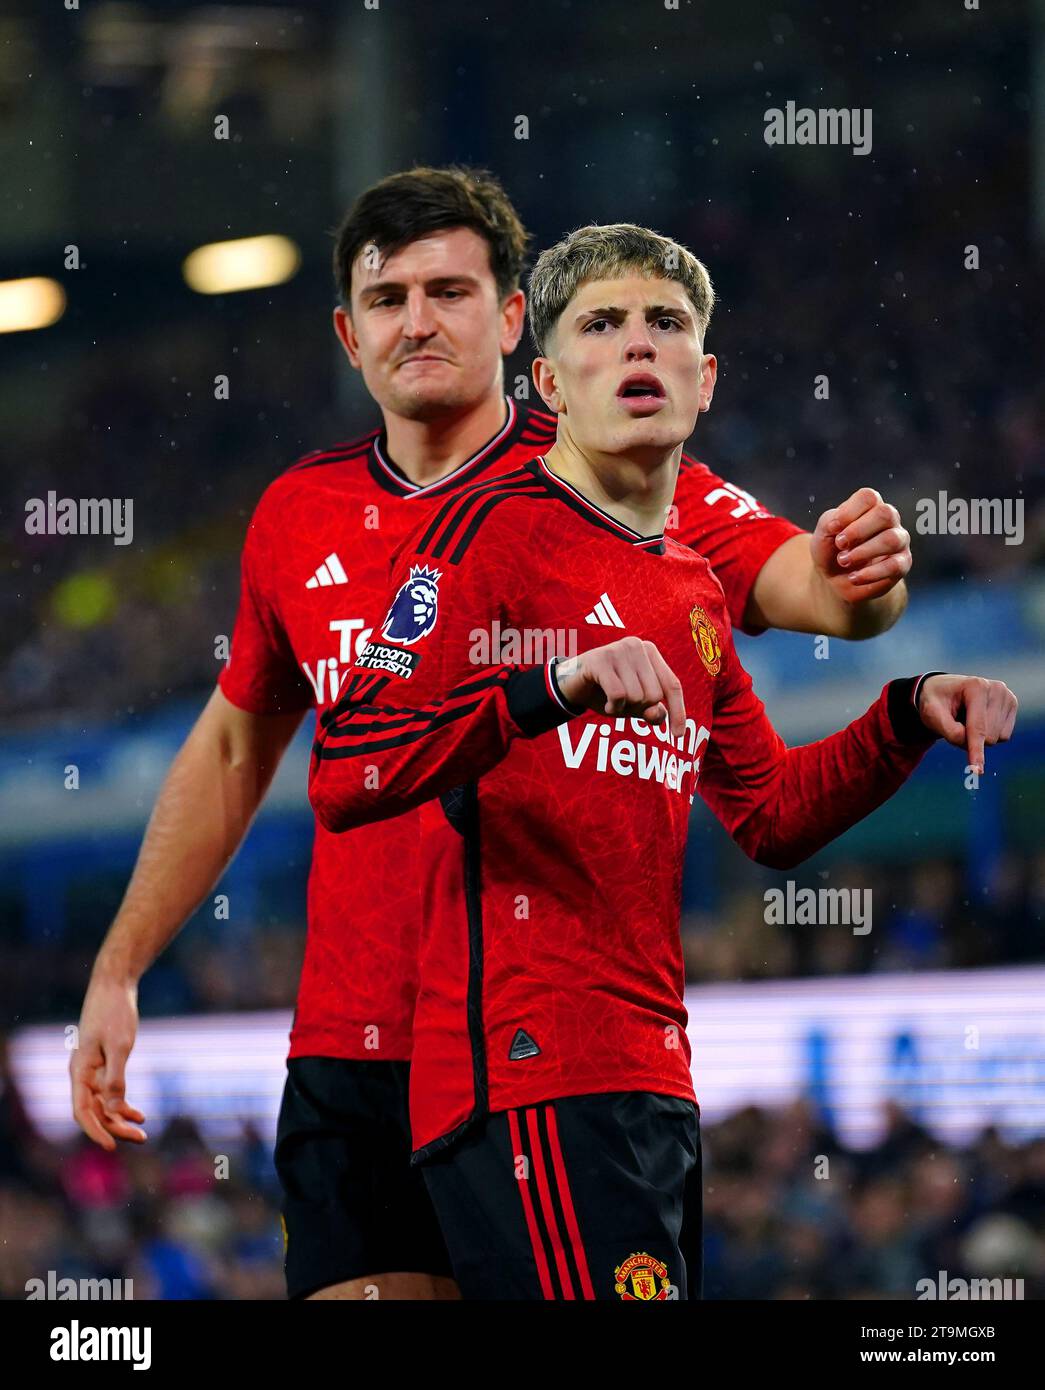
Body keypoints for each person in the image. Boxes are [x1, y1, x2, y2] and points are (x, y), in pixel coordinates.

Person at [71, 169, 913, 1302]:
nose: (417, 320)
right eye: (387, 298)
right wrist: (119, 968)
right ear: (347, 333)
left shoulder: (610, 466)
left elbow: (813, 587)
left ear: (514, 321)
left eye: (451, 290)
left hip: (532, 1057)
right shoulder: (295, 515)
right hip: (351, 1050)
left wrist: (866, 577)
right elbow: (234, 750)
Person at [309, 222, 1017, 1300]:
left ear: (706, 373)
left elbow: (771, 812)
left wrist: (907, 711)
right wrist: (548, 687)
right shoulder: (479, 536)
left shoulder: (689, 588)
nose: (639, 346)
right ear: (546, 379)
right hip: (527, 1077)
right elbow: (347, 765)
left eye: (666, 324)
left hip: (651, 1078)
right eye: (602, 324)